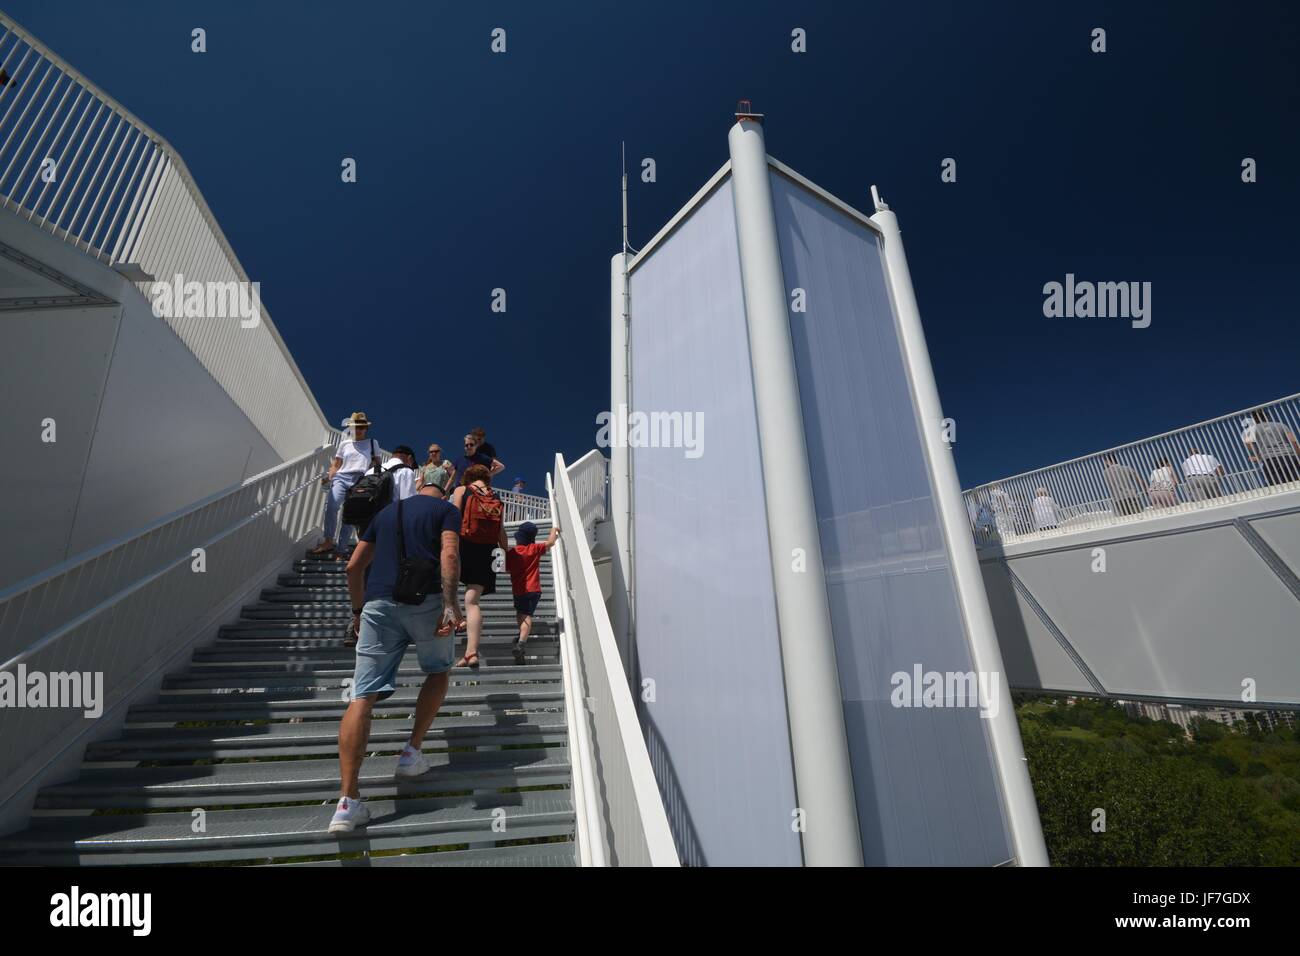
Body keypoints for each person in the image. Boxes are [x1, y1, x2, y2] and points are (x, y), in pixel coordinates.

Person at [328, 477, 464, 833]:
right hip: (427, 603)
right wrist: (450, 604)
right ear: (443, 492)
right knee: (438, 671)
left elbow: (353, 566)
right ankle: (411, 752)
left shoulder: (386, 513)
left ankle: (347, 802)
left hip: (377, 606)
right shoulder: (447, 510)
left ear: (417, 486)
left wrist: (357, 612)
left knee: (362, 696)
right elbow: (450, 553)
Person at [449, 465, 508, 669]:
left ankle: (458, 622)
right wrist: (505, 555)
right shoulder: (496, 497)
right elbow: (500, 531)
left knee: (444, 589)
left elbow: (453, 518)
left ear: (468, 476)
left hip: (463, 546)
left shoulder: (461, 490)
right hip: (488, 550)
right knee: (472, 601)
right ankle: (471, 653)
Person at [313, 411, 381, 557]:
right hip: (341, 478)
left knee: (350, 515)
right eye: (355, 427)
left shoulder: (372, 443)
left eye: (361, 427)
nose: (358, 430)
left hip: (361, 480)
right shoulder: (345, 444)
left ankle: (342, 548)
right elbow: (336, 465)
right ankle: (328, 540)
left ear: (366, 429)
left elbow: (377, 464)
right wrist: (329, 477)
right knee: (331, 506)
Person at [506, 521, 560, 664]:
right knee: (525, 615)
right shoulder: (534, 549)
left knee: (522, 614)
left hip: (518, 590)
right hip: (533, 589)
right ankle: (521, 643)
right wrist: (554, 530)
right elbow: (551, 542)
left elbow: (505, 569)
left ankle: (521, 641)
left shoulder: (512, 553)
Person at [1245, 409, 1300, 487]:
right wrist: (1298, 455)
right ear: (1267, 416)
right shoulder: (1281, 425)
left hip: (1270, 459)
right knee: (1296, 484)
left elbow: (1247, 442)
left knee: (1277, 486)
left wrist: (1259, 456)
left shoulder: (1253, 429)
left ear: (1254, 418)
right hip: (1289, 456)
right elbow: (1293, 441)